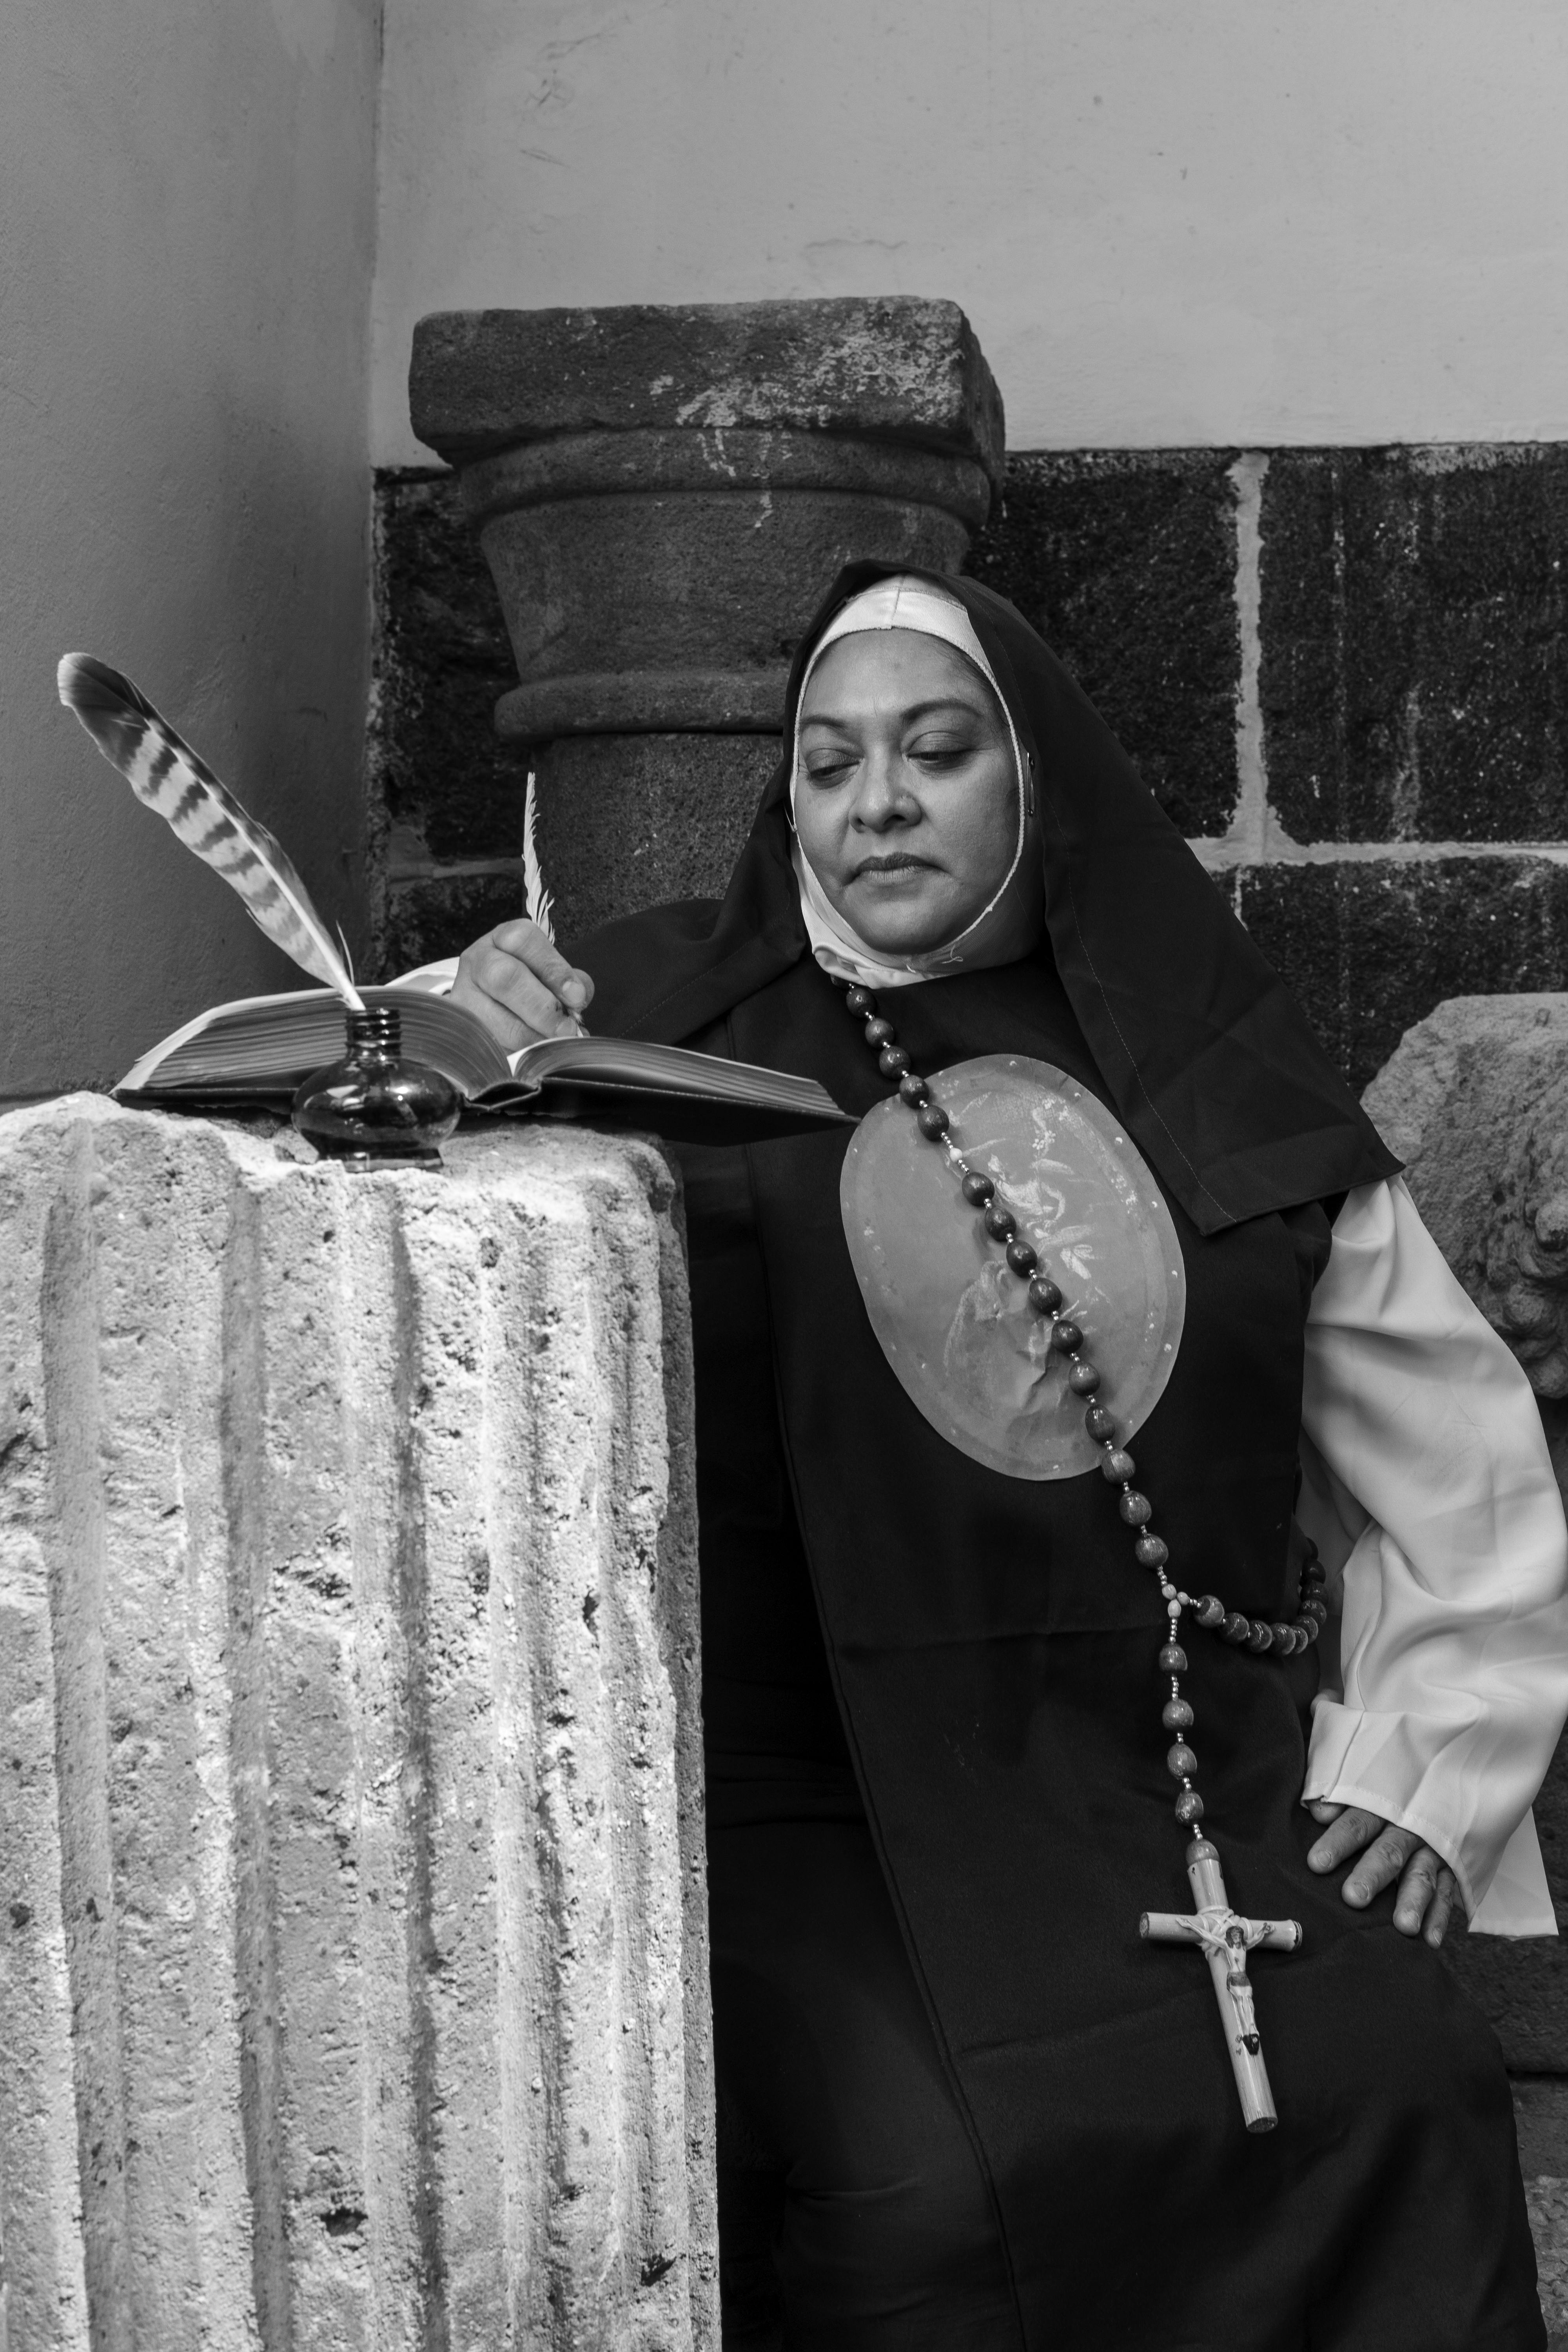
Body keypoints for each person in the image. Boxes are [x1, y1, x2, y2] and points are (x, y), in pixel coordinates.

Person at [405, 566, 1568, 2348]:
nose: (875, 800)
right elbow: (344, 1102)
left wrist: (1430, 1754)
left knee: (1396, 2078)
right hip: (803, 1802)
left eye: (936, 752)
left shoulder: (1203, 1058)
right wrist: (468, 1025)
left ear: (1036, 779)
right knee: (935, 2194)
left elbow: (1454, 1447)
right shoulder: (614, 1010)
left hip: (1164, 1776)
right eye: (826, 759)